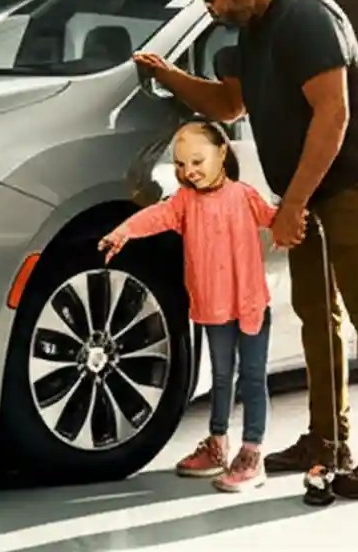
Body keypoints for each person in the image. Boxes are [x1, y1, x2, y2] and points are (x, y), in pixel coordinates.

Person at [131, 0, 358, 499]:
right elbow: (227, 105)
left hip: (354, 180)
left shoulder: (305, 16)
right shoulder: (249, 34)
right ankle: (326, 440)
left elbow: (333, 115)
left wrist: (291, 206)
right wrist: (166, 73)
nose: (210, 7)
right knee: (315, 310)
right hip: (307, 191)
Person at [99, 120, 278, 493]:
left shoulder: (243, 196)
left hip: (250, 305)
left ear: (222, 154)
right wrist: (123, 232)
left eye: (197, 161)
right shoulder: (183, 203)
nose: (189, 171)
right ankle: (218, 444)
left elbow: (275, 220)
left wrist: (296, 218)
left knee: (252, 377)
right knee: (222, 376)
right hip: (214, 308)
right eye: (180, 165)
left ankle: (252, 450)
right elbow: (153, 217)